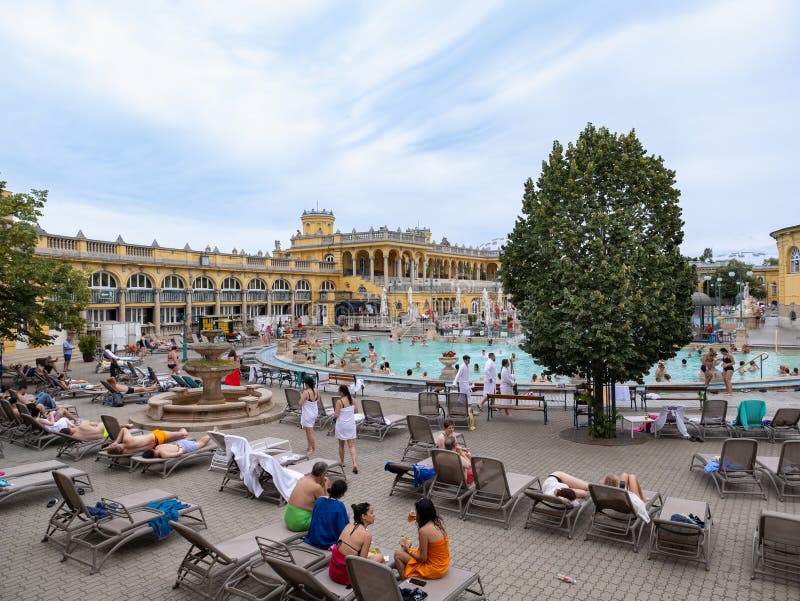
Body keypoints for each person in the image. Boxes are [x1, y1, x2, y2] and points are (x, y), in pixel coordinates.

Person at [329, 502, 385, 585]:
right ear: (363, 516)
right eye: (371, 512)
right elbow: (362, 563)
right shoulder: (366, 536)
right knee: (380, 557)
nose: (374, 515)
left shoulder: (348, 525)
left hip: (334, 571)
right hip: (346, 576)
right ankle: (383, 583)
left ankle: (382, 579)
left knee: (375, 554)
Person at [394, 498, 450, 581]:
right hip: (443, 564)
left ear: (422, 514)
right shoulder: (439, 521)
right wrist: (414, 517)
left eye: (417, 512)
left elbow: (423, 558)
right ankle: (407, 572)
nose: (416, 514)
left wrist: (408, 550)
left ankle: (404, 579)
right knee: (406, 550)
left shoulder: (423, 531)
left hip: (434, 569)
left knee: (397, 554)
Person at [285, 462, 329, 532]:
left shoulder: (302, 479)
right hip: (299, 522)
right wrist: (326, 485)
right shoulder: (316, 487)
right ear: (322, 474)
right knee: (330, 516)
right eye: (326, 473)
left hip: (288, 518)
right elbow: (326, 505)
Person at [305, 479, 349, 549]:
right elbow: (342, 530)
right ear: (342, 494)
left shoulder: (319, 500)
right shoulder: (340, 506)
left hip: (313, 538)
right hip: (327, 542)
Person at [104, 426, 188, 455]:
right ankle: (183, 429)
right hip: (157, 436)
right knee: (183, 434)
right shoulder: (128, 441)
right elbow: (124, 429)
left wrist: (108, 449)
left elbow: (114, 451)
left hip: (156, 444)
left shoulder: (126, 452)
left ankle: (181, 433)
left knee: (180, 437)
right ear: (116, 446)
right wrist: (116, 442)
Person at [334, 385, 359, 474]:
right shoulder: (352, 400)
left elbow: (336, 415)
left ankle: (342, 462)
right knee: (351, 445)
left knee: (341, 445)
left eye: (338, 390)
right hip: (350, 425)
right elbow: (356, 411)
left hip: (342, 425)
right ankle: (355, 464)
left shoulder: (339, 402)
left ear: (341, 392)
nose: (338, 392)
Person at [142, 428, 216, 458]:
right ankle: (211, 432)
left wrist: (181, 449)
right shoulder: (157, 447)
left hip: (184, 447)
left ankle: (213, 432)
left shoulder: (163, 454)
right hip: (179, 443)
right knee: (199, 442)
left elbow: (179, 454)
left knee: (202, 443)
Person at [298, 375, 320, 455]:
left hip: (308, 414)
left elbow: (300, 403)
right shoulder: (316, 391)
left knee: (310, 433)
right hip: (314, 413)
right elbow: (318, 401)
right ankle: (309, 447)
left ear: (306, 384)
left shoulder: (306, 392)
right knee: (308, 431)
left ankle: (313, 450)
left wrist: (302, 396)